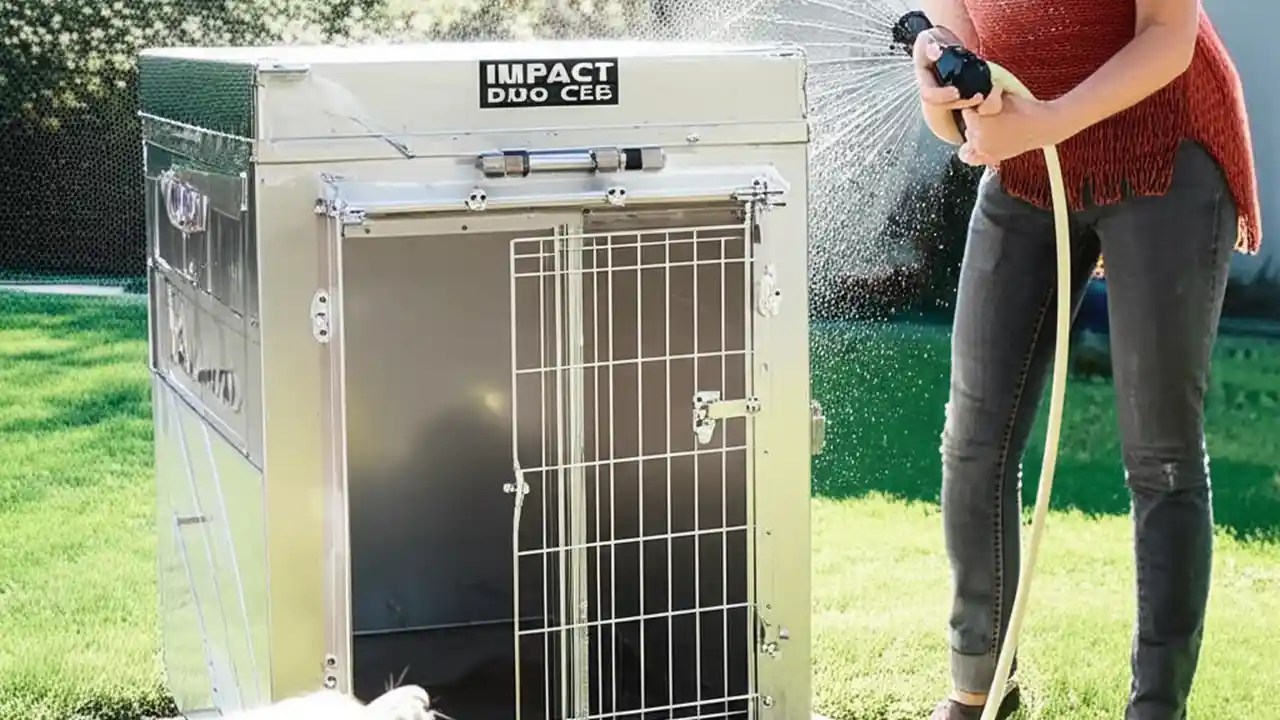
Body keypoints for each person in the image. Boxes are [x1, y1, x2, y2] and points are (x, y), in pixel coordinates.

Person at [909, 1, 1261, 719]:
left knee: (1160, 456)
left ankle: (1156, 706)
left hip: (1167, 151)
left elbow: (1168, 39)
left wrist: (1053, 120)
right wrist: (939, 88)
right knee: (973, 440)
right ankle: (980, 688)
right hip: (1032, 166)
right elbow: (959, 87)